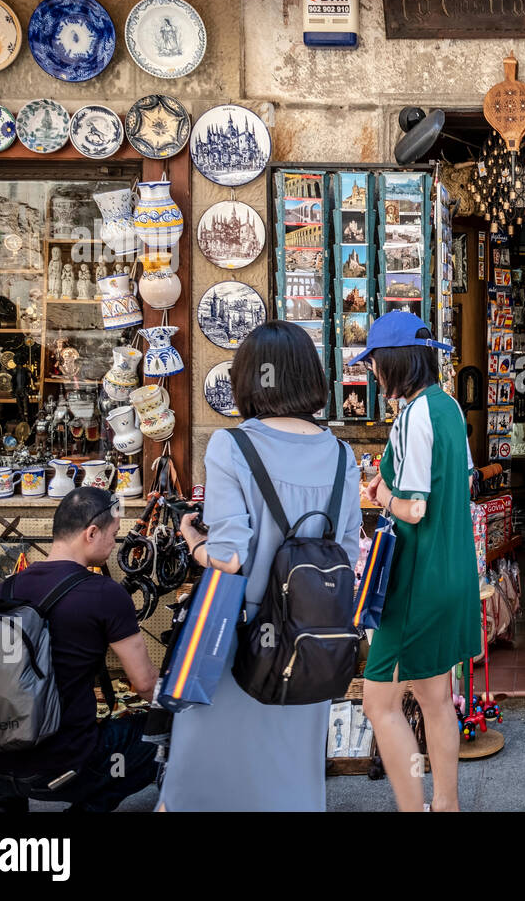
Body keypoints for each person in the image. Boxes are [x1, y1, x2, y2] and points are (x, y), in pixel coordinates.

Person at [168, 321, 363, 811]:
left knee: (205, 778)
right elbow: (346, 553)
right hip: (311, 642)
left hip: (241, 641)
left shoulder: (231, 446)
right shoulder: (341, 455)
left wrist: (193, 541)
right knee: (290, 778)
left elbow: (229, 555)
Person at [354, 311, 481, 812]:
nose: (375, 374)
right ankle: (445, 805)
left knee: (378, 703)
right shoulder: (447, 406)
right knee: (434, 699)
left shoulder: (413, 414)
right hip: (453, 574)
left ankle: (413, 808)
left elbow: (415, 507)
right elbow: (463, 482)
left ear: (394, 363)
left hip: (413, 580)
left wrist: (382, 496)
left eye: (378, 364)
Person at [0, 487, 160, 812]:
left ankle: (7, 809)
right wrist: (190, 710)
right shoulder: (105, 593)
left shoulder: (7, 588)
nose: (115, 543)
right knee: (156, 737)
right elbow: (146, 685)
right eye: (114, 534)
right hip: (64, 768)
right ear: (92, 532)